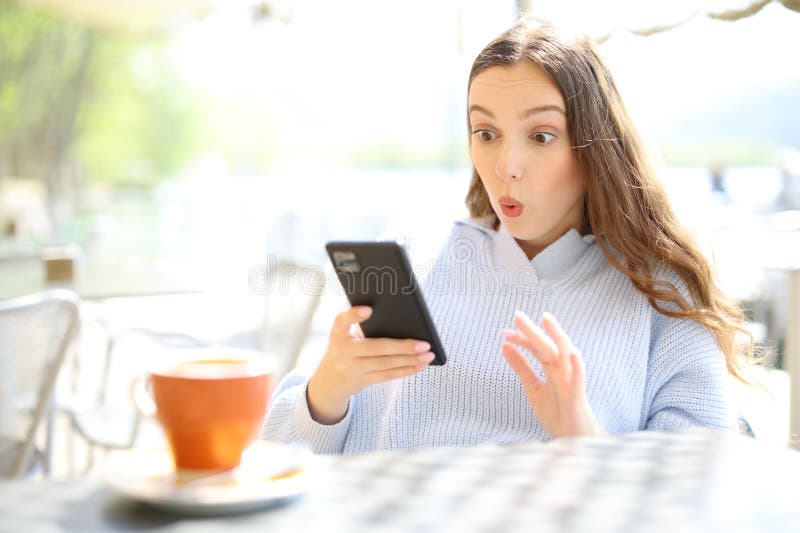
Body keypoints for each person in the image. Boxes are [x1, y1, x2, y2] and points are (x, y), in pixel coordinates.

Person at [263, 17, 751, 453]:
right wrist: (328, 389)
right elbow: (277, 452)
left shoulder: (660, 293)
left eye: (540, 136)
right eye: (486, 133)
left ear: (594, 146)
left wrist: (586, 440)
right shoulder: (409, 256)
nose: (505, 167)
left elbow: (708, 478)